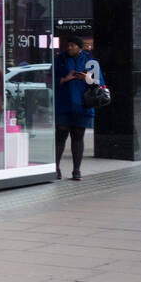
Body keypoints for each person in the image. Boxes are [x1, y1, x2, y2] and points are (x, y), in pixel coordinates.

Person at [54, 35, 97, 181]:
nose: (69, 48)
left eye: (73, 45)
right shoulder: (59, 59)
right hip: (63, 104)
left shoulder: (90, 61)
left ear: (80, 47)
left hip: (82, 105)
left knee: (78, 136)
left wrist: (86, 78)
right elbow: (49, 79)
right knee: (61, 135)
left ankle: (77, 170)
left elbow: (99, 83)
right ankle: (55, 168)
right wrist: (64, 79)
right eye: (68, 45)